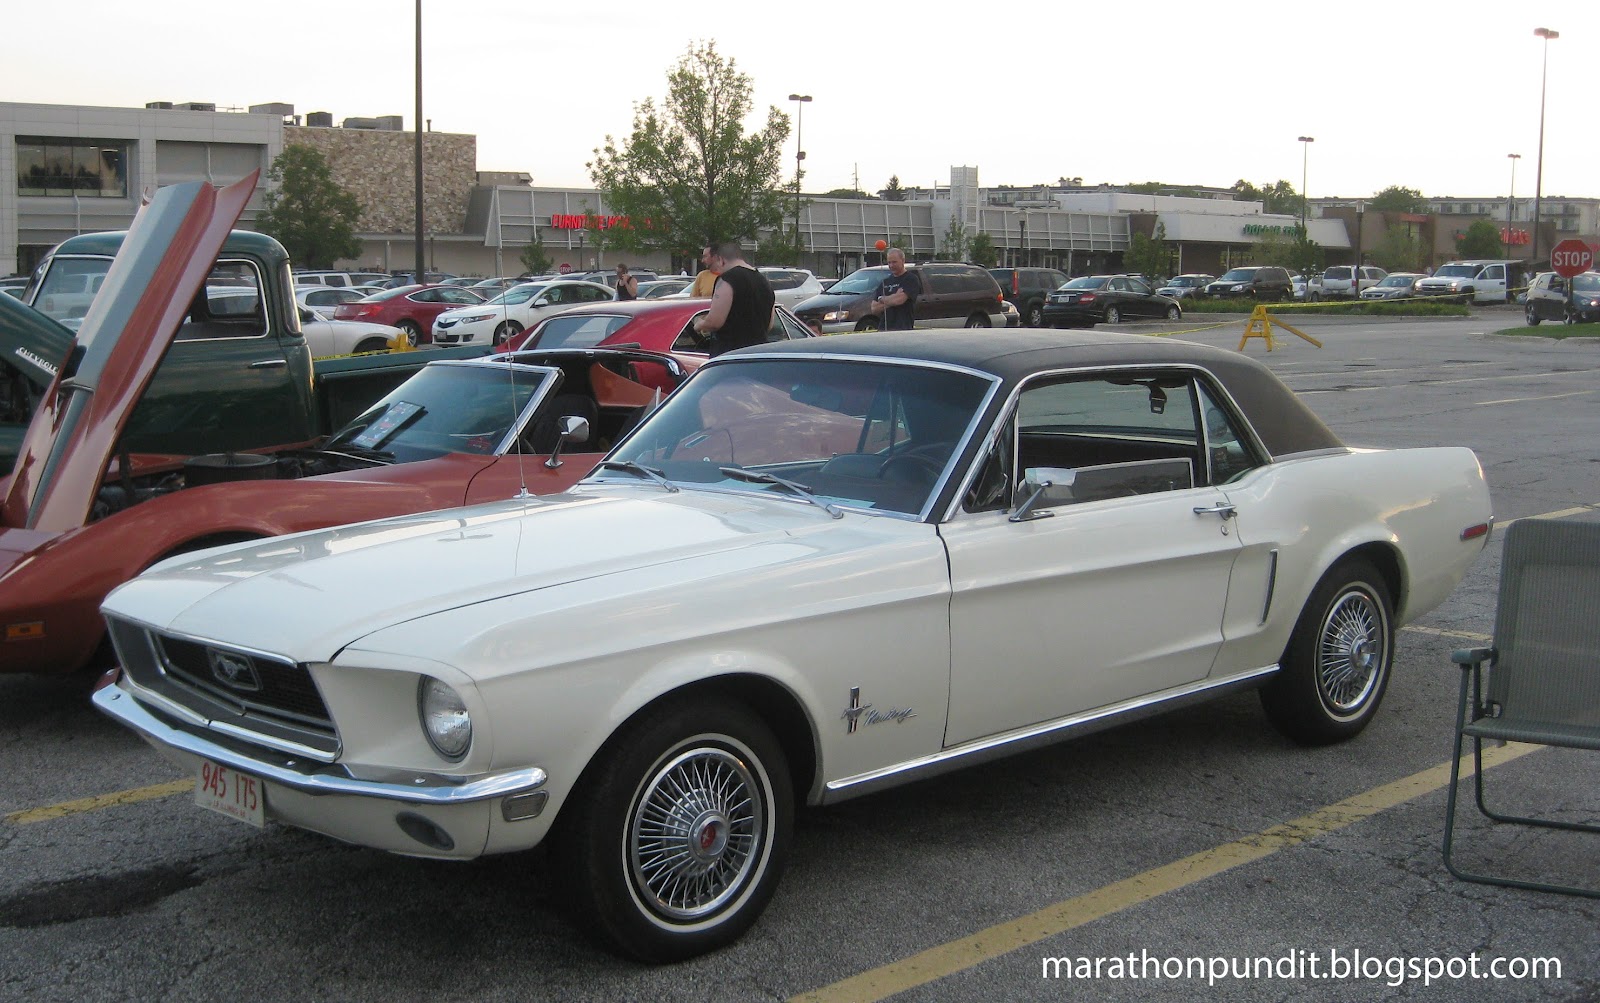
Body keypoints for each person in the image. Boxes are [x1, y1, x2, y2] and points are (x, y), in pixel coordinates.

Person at [693, 241, 774, 356]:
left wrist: (699, 324)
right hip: (758, 354)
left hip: (731, 356)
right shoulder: (764, 281)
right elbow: (769, 324)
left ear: (721, 260)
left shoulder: (727, 279)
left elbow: (715, 322)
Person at [869, 248, 921, 330]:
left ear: (903, 260)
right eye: (889, 262)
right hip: (883, 329)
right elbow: (874, 308)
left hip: (902, 329)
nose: (891, 266)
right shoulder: (885, 282)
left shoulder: (911, 279)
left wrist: (882, 299)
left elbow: (899, 300)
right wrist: (893, 298)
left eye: (894, 262)